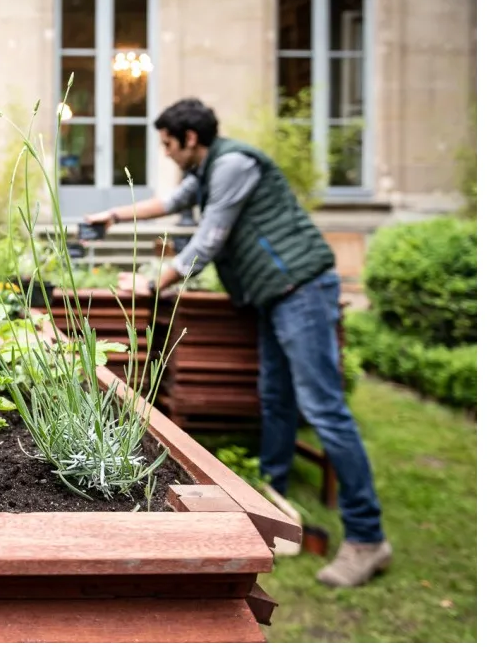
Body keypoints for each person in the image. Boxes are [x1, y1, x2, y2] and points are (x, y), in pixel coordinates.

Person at [84, 98, 390, 588]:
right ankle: (272, 498)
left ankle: (367, 537)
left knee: (324, 408)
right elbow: (172, 202)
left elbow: (208, 240)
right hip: (274, 297)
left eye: (166, 143)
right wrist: (112, 216)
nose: (164, 153)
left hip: (302, 291)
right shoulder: (206, 169)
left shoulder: (232, 165)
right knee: (274, 395)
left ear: (189, 139)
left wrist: (151, 283)